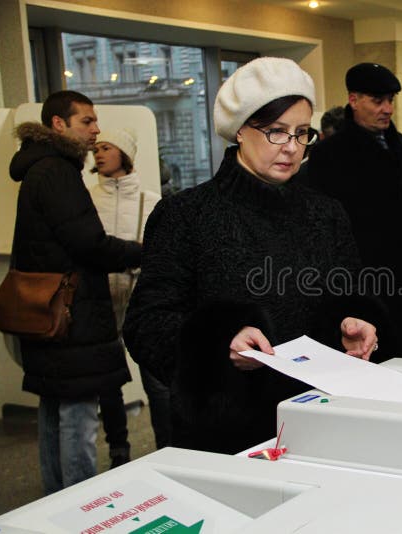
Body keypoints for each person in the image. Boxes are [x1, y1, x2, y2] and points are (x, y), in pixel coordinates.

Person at [123, 57, 383, 455]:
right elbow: (146, 325)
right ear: (240, 131)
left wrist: (353, 324)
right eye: (276, 132)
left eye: (302, 133)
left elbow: (347, 296)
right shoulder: (185, 215)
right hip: (222, 435)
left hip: (319, 421)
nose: (292, 148)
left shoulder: (326, 213)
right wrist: (219, 343)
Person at [8, 90, 142, 493]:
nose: (96, 129)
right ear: (58, 124)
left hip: (51, 313)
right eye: (87, 121)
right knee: (78, 418)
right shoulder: (56, 172)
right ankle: (79, 507)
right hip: (73, 315)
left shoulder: (40, 169)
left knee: (54, 410)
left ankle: (56, 503)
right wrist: (140, 252)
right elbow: (88, 244)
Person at [306, 62, 402, 359]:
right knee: (377, 363)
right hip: (366, 285)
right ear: (354, 100)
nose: (387, 108)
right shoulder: (330, 155)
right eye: (378, 101)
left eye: (390, 100)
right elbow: (321, 227)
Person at [88, 128, 170, 457]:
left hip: (142, 296)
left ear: (125, 153)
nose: (99, 153)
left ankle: (169, 446)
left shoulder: (150, 201)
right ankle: (118, 450)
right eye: (96, 148)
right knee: (108, 381)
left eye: (106, 147)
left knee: (157, 378)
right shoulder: (89, 197)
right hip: (101, 297)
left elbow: (164, 251)